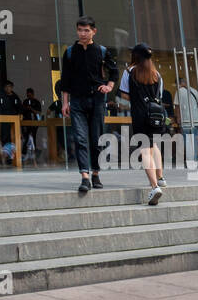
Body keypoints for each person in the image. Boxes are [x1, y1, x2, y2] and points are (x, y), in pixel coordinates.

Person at [58, 15, 118, 194]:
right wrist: (65, 102)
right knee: (80, 138)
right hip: (76, 101)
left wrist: (108, 86)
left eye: (86, 30)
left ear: (94, 31)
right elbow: (65, 80)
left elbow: (114, 71)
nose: (82, 33)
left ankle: (96, 173)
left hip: (97, 101)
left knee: (96, 139)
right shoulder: (69, 52)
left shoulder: (101, 51)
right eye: (80, 30)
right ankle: (84, 176)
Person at [124, 44, 166, 205]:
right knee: (153, 145)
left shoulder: (129, 72)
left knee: (145, 151)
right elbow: (159, 96)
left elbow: (124, 94)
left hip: (140, 115)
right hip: (155, 116)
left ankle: (154, 187)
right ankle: (161, 177)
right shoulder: (157, 75)